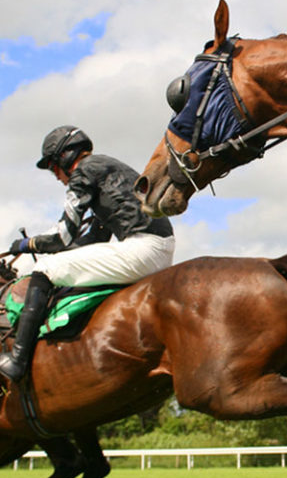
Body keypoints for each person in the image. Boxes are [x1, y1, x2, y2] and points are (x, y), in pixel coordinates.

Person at [0, 126, 175, 382]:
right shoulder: (104, 169)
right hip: (157, 248)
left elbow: (62, 236)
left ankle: (17, 360)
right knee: (57, 265)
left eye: (52, 168)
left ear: (64, 158)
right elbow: (95, 238)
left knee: (43, 269)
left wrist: (27, 244)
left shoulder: (84, 172)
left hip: (143, 249)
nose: (56, 177)